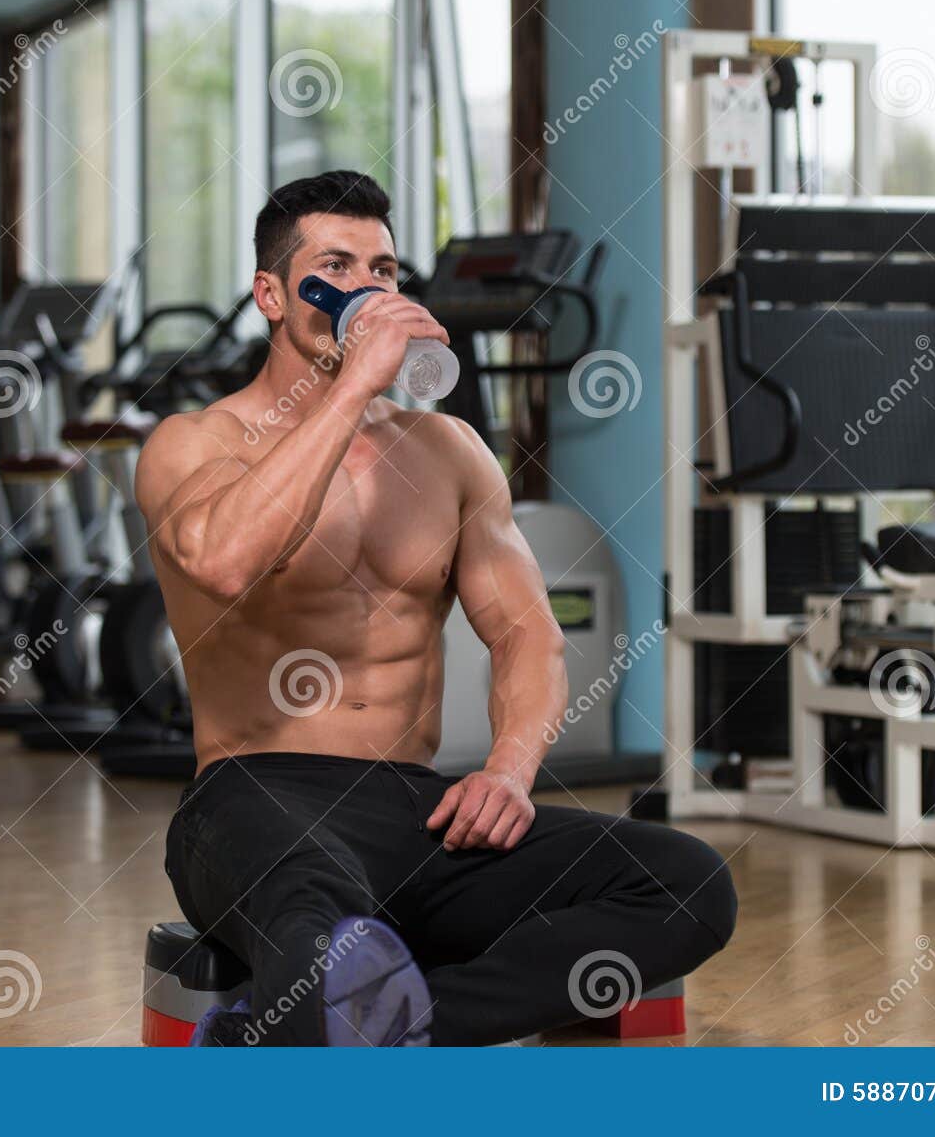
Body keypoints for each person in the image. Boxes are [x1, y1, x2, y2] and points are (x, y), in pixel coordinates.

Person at [135, 170, 736, 1046]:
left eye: (382, 270)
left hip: (417, 809)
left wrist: (508, 770)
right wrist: (352, 387)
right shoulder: (195, 442)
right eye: (335, 267)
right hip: (255, 798)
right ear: (273, 293)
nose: (366, 289)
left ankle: (387, 1027)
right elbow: (224, 563)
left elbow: (528, 633)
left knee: (687, 881)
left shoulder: (447, 451)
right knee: (318, 936)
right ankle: (333, 1006)